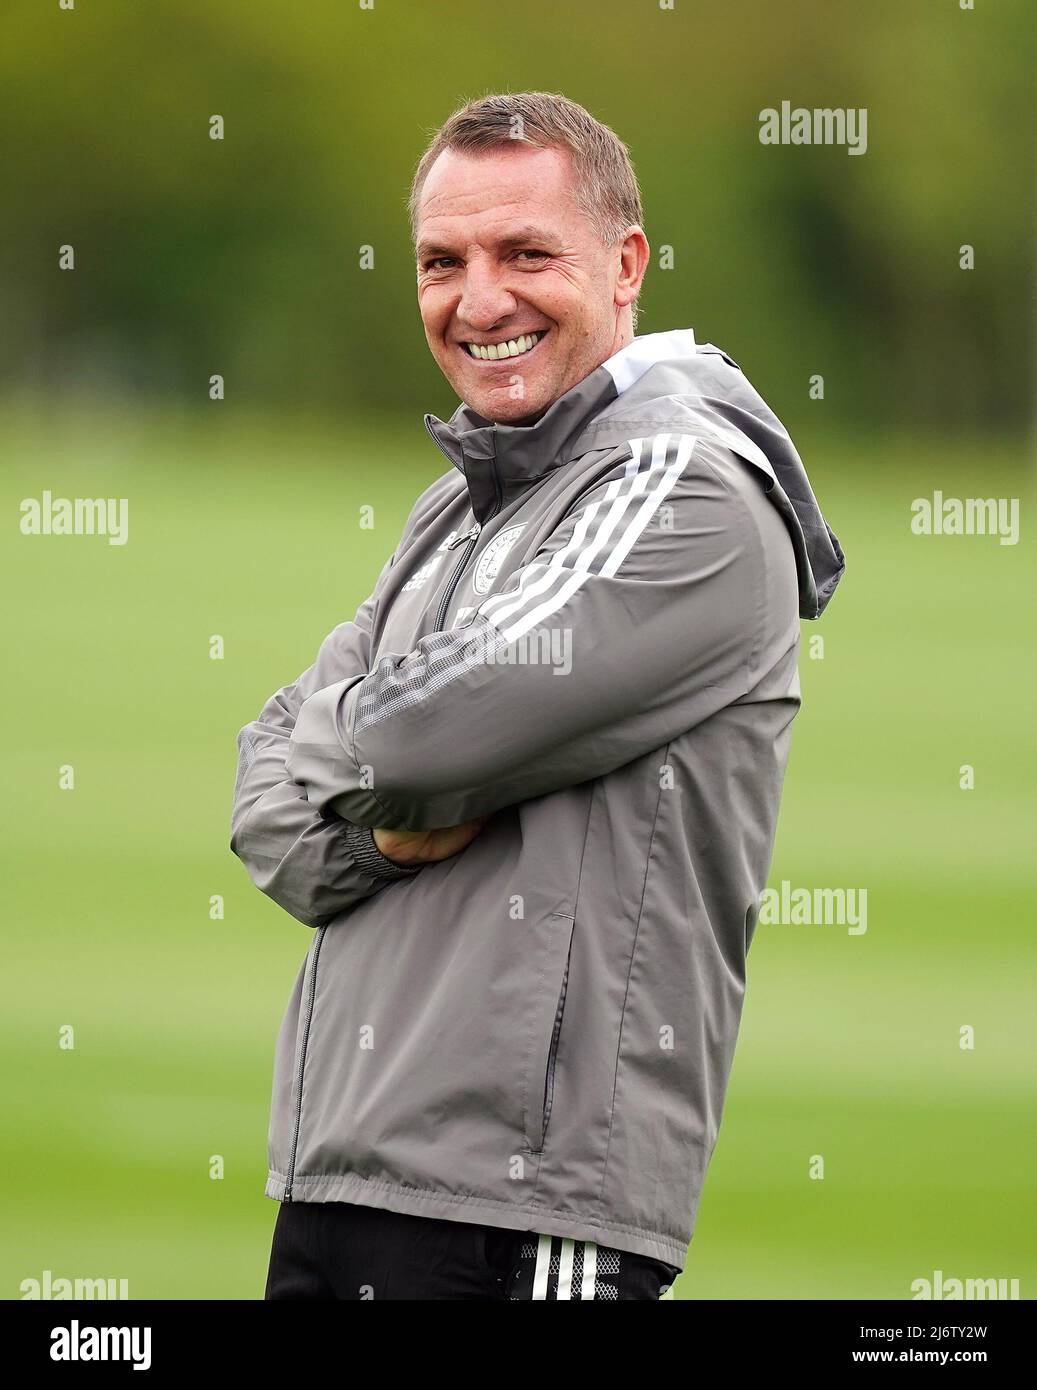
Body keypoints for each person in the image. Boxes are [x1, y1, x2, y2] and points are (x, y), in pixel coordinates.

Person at [231, 90, 845, 1301]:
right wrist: (380, 800)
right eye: (441, 261)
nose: (479, 301)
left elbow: (413, 733)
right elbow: (266, 817)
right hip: (343, 1170)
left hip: (522, 1218)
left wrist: (374, 755)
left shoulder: (691, 493)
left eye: (524, 254)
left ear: (624, 267)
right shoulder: (465, 494)